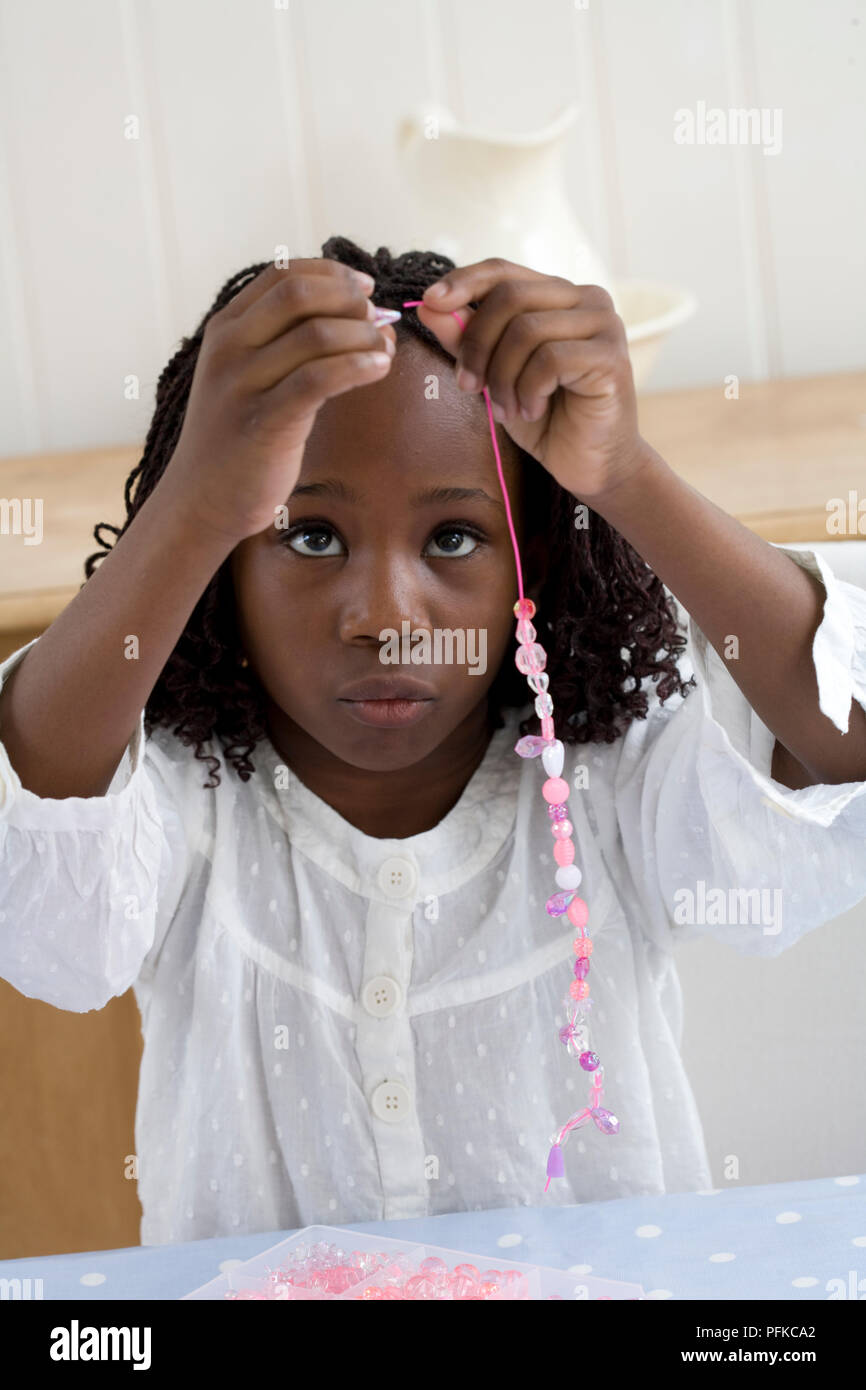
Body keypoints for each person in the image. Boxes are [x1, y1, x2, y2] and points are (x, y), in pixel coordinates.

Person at [1, 238, 865, 1245]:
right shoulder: (181, 797)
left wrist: (623, 473)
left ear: (528, 563)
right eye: (310, 536)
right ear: (223, 564)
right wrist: (194, 501)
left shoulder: (601, 773)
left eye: (452, 538)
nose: (384, 616)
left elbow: (843, 742)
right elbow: (43, 906)